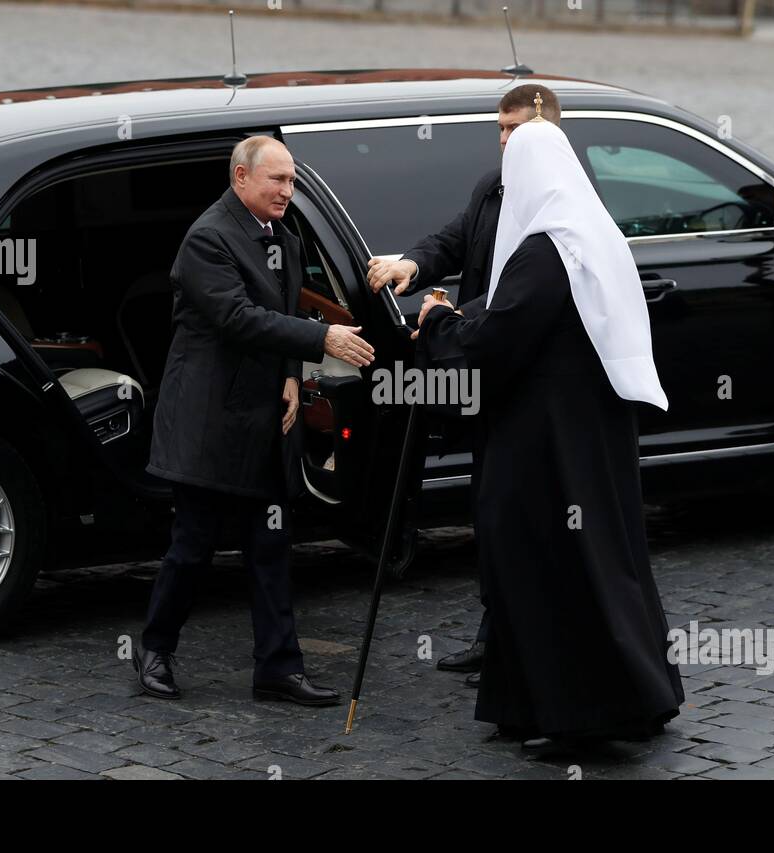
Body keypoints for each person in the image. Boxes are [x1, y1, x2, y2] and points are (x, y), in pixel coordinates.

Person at [414, 112, 684, 753]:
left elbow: (497, 339)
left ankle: (582, 716)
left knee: (548, 563)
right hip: (592, 437)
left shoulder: (545, 249)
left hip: (548, 445)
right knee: (601, 560)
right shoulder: (591, 234)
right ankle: (548, 704)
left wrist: (438, 324)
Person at [135, 136, 375, 704]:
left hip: (266, 419)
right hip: (208, 421)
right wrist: (322, 338)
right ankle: (154, 649)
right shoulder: (208, 238)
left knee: (271, 546)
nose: (288, 191)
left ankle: (278, 668)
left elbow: (281, 312)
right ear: (241, 177)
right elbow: (238, 318)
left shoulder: (284, 237)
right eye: (278, 180)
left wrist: (291, 373)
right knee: (192, 548)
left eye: (292, 181)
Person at [367, 85, 562, 685]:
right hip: (487, 379)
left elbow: (518, 300)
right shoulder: (492, 186)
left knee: (523, 516)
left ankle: (519, 643)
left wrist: (447, 319)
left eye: (514, 130)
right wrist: (412, 263)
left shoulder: (558, 202)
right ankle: (493, 630)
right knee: (490, 509)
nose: (503, 140)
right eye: (499, 129)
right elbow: (455, 239)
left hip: (528, 385)